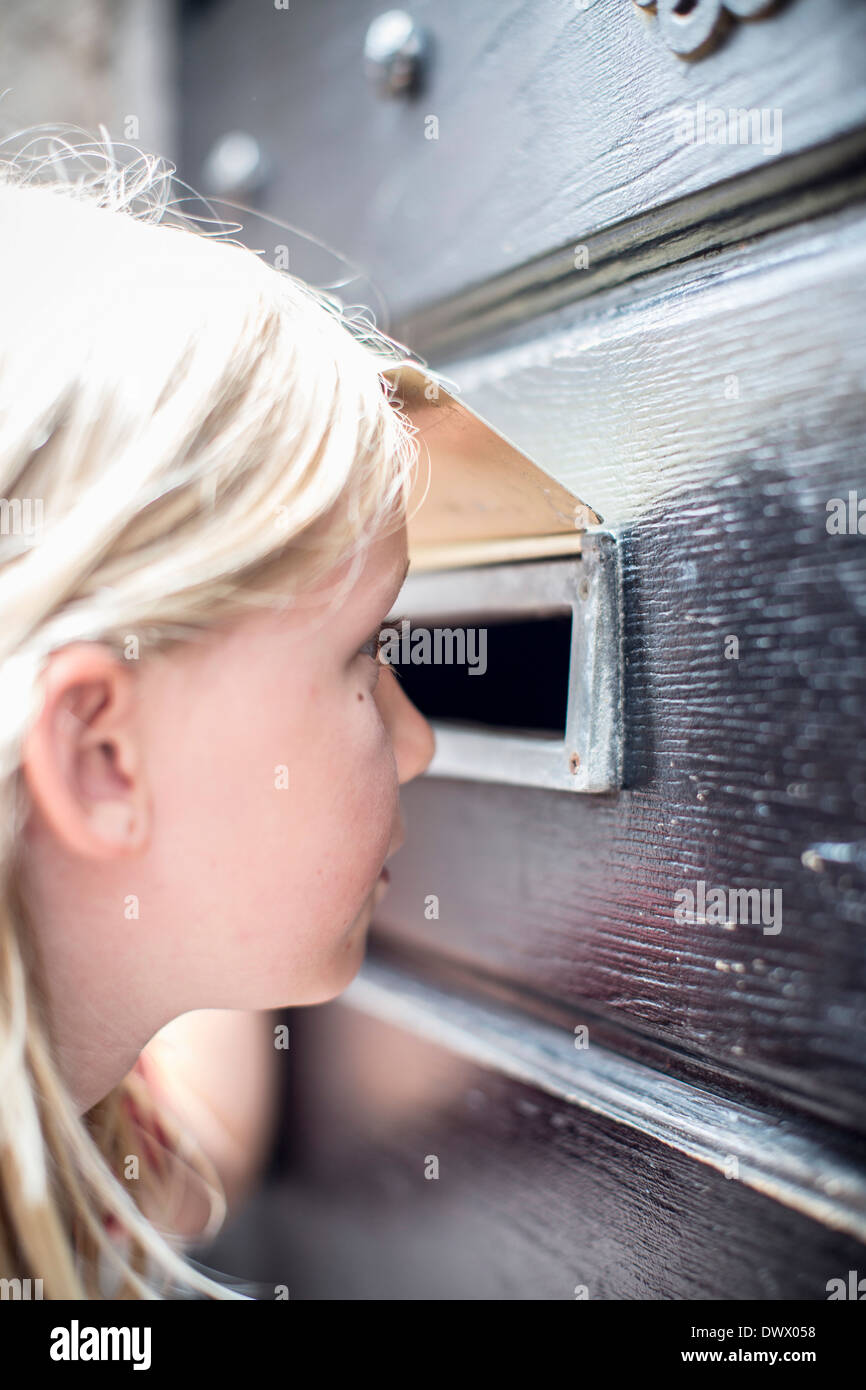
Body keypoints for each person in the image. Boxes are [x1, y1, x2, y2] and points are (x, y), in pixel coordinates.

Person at [0, 126, 436, 1298]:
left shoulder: (79, 1139)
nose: (418, 739)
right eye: (364, 655)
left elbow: (196, 1143)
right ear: (98, 756)